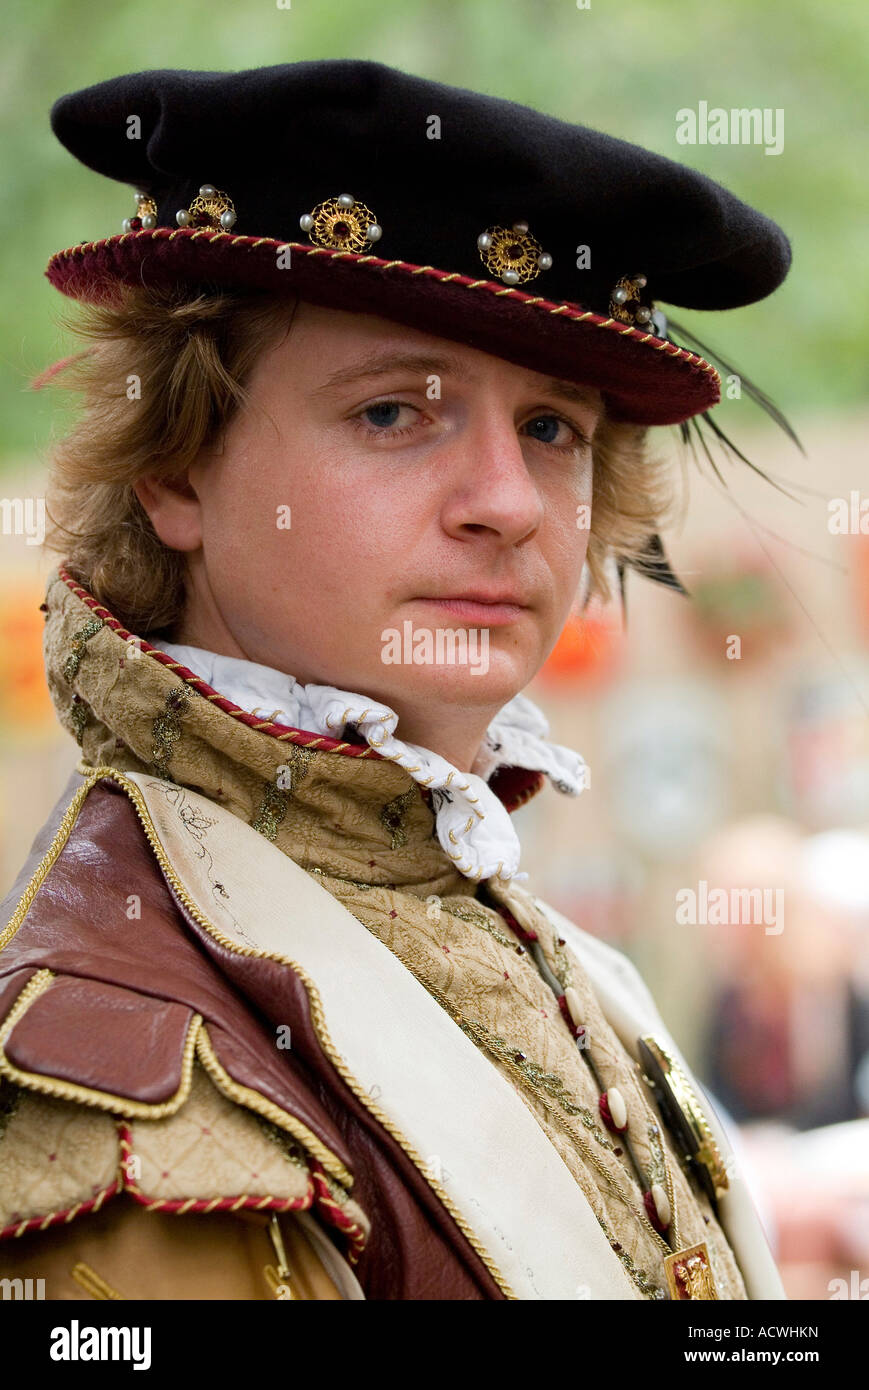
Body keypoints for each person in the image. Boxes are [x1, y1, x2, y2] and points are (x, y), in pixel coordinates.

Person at [0, 59, 792, 1301]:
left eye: (551, 429)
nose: (509, 504)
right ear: (179, 471)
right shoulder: (125, 1058)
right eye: (392, 414)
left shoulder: (540, 943)